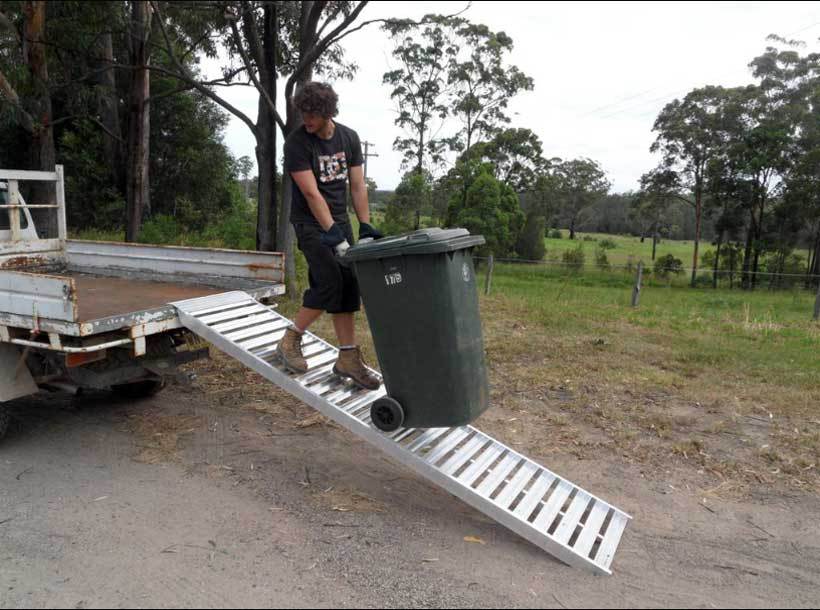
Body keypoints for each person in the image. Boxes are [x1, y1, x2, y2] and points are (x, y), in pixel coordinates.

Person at [277, 82, 382, 390]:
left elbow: (358, 186)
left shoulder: (348, 137)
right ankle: (290, 339)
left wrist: (364, 227)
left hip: (339, 221)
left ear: (328, 112)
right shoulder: (296, 143)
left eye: (312, 114)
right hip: (310, 223)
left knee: (350, 286)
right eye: (303, 113)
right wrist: (333, 236)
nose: (306, 120)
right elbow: (311, 193)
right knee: (329, 283)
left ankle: (347, 358)